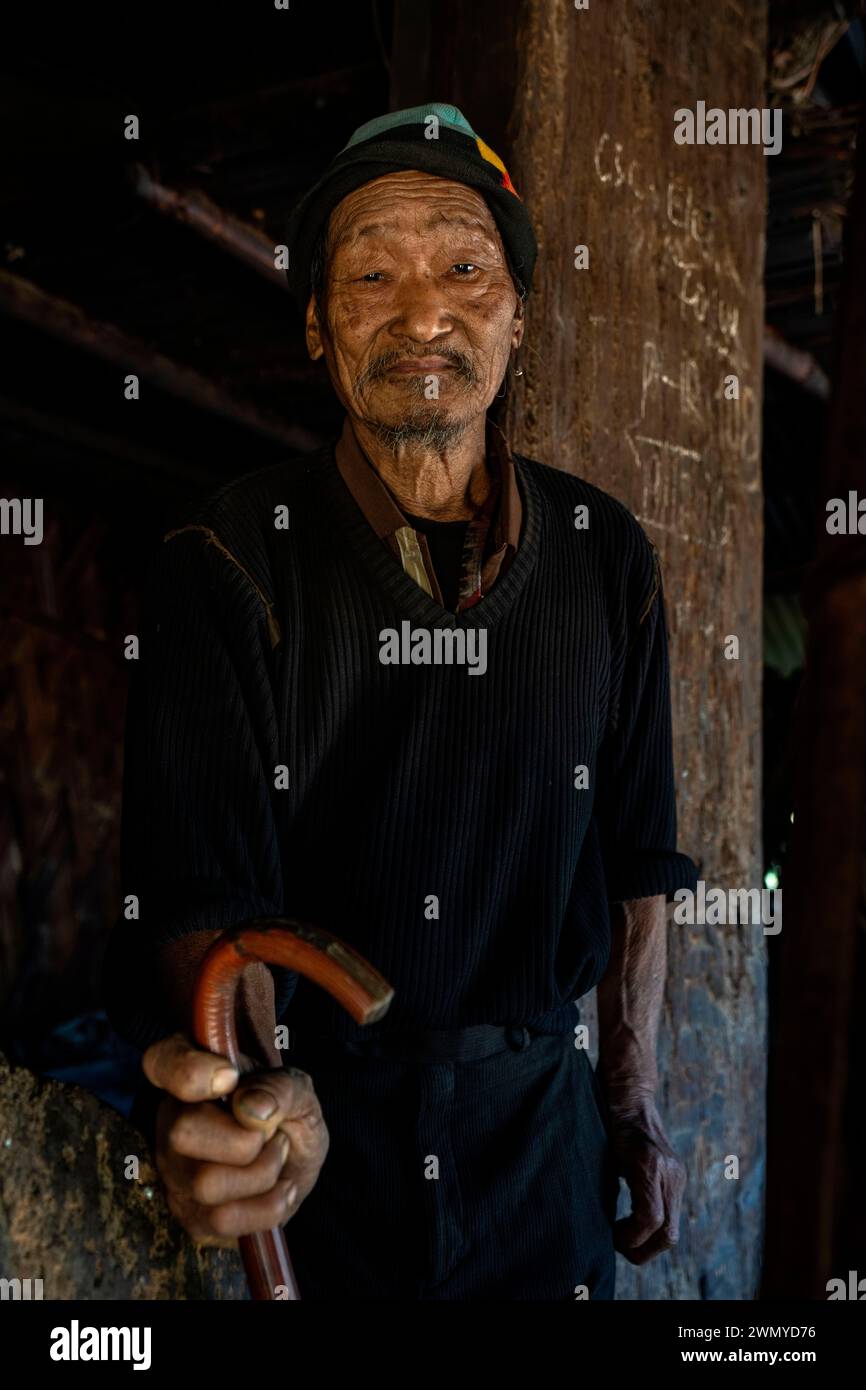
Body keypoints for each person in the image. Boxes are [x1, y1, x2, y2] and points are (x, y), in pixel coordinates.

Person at [105, 103, 698, 1301]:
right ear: (320, 327)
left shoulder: (603, 557)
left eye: (464, 269)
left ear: (516, 315)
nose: (422, 311)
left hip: (544, 1125)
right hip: (334, 1133)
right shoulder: (227, 559)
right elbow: (208, 905)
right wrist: (262, 1110)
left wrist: (628, 1104)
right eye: (371, 273)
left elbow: (638, 863)